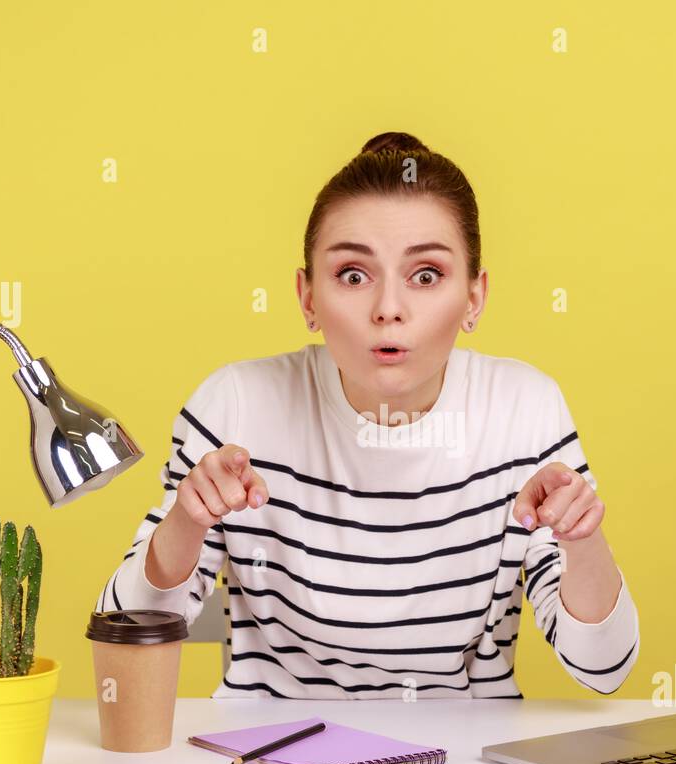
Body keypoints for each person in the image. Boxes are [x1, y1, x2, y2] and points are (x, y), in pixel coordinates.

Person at [96, 131, 640, 699]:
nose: (388, 310)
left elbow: (603, 669)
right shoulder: (236, 404)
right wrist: (187, 520)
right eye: (353, 276)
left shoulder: (526, 409)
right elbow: (125, 634)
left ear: (474, 297)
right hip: (269, 762)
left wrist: (582, 539)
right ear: (308, 298)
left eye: (425, 275)